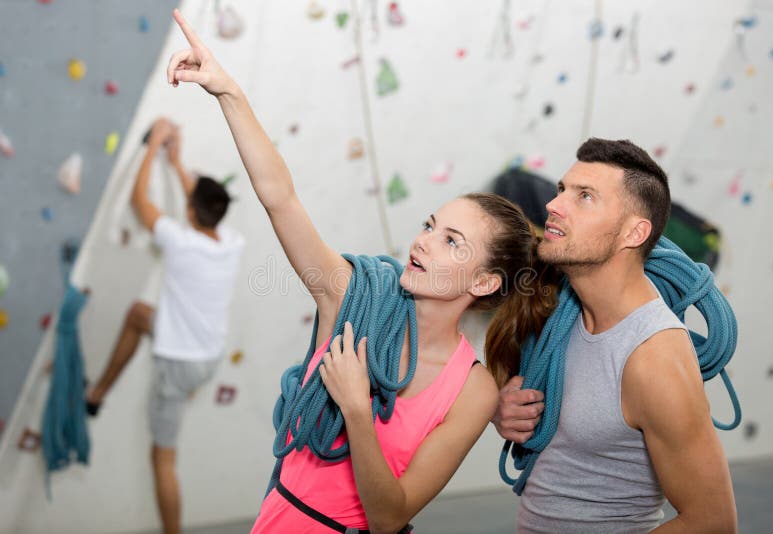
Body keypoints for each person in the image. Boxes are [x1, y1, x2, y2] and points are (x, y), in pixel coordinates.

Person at [165, 9, 558, 533]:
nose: (423, 241)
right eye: (429, 225)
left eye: (451, 241)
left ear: (484, 283)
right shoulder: (351, 297)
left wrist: (355, 407)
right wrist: (228, 91)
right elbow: (280, 198)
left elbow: (391, 514)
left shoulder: (475, 390)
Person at [490, 138, 738, 532]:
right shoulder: (564, 314)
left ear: (633, 232)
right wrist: (502, 407)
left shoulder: (653, 357)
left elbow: (712, 522)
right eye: (561, 190)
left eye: (584, 196)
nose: (554, 206)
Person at [85, 117, 244, 534]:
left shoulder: (179, 239)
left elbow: (140, 201)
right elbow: (203, 203)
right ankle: (98, 391)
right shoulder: (230, 243)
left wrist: (153, 145)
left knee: (164, 458)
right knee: (139, 314)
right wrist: (176, 161)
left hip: (179, 363)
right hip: (208, 354)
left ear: (191, 211)